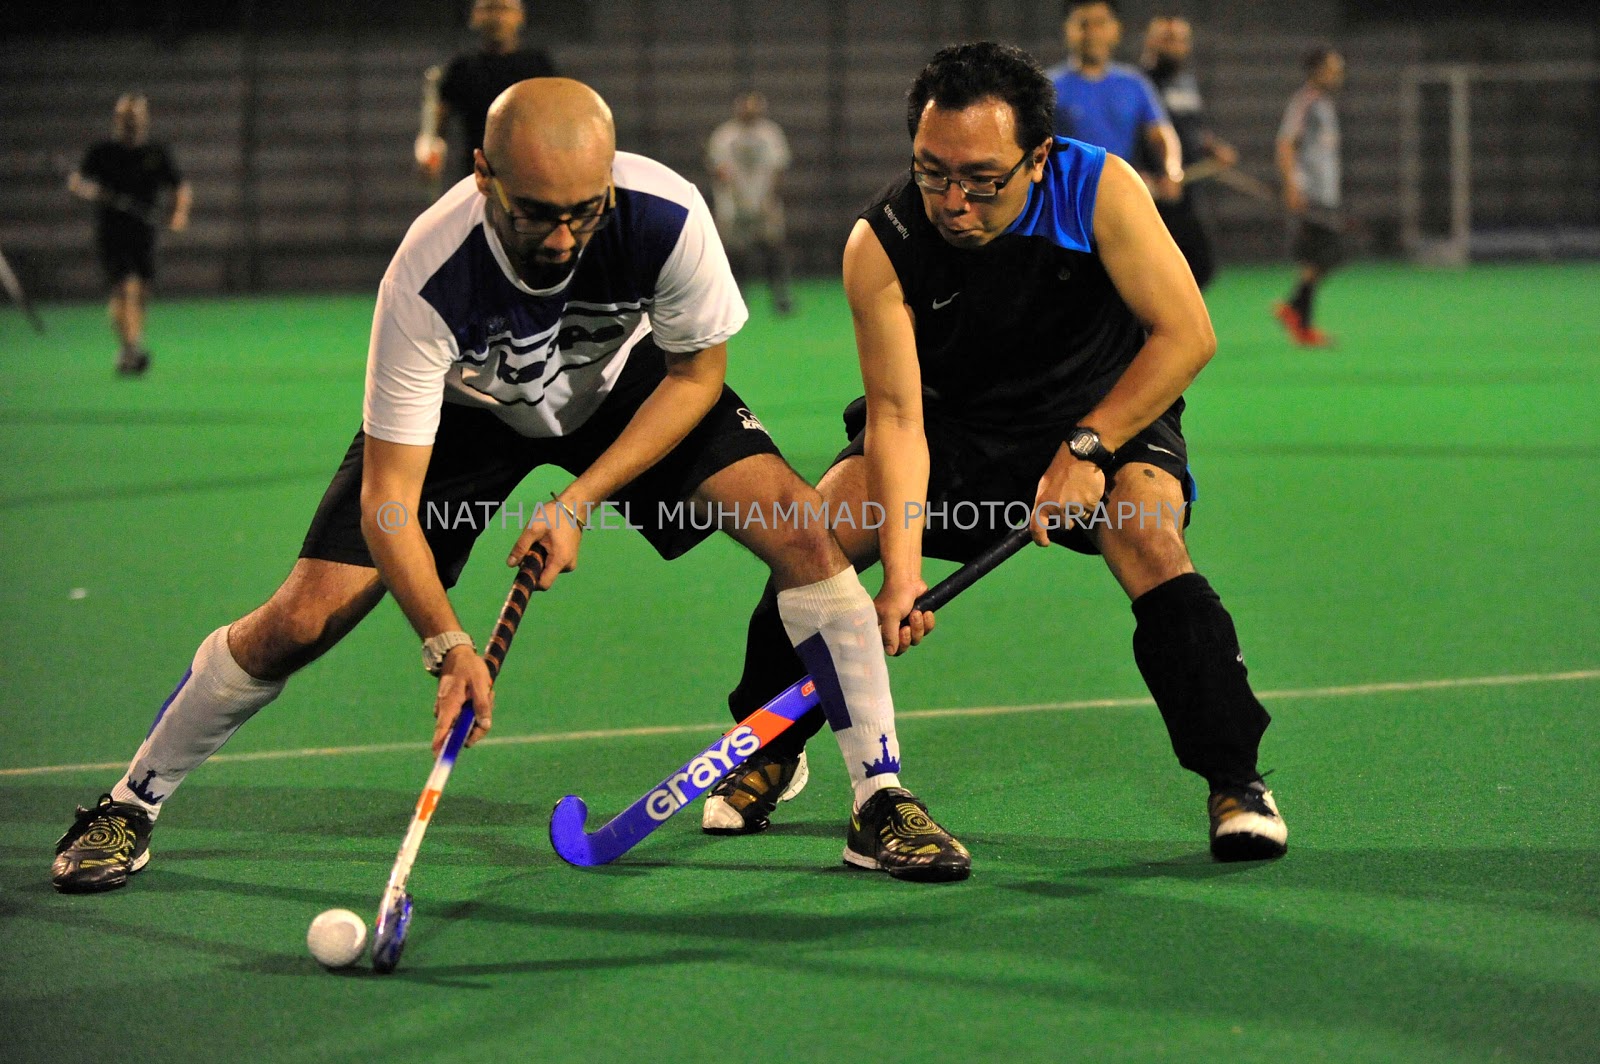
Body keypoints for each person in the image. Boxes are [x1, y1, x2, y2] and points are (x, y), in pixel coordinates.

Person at [50, 78, 970, 894]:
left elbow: (694, 376)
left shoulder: (668, 218)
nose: (564, 237)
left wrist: (577, 501)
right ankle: (132, 798)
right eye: (536, 212)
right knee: (301, 617)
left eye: (586, 210)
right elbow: (389, 502)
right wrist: (446, 645)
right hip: (471, 413)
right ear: (483, 172)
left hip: (629, 390)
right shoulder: (427, 275)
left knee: (806, 535)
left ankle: (879, 797)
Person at [703, 42, 1288, 864]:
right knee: (818, 538)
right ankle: (770, 740)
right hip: (951, 426)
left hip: (1102, 411)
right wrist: (903, 572)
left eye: (982, 179)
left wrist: (1090, 444)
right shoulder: (884, 243)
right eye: (931, 172)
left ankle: (1235, 778)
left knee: (1150, 537)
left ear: (1038, 157)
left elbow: (1187, 336)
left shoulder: (1100, 191)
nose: (952, 200)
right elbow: (898, 418)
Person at [67, 93, 191, 375]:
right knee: (123, 287)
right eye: (126, 118)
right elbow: (76, 182)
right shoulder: (102, 152)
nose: (131, 123)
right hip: (112, 232)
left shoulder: (156, 153)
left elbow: (180, 187)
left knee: (142, 292)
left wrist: (178, 214)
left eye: (136, 118)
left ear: (144, 120)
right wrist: (90, 191)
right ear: (118, 120)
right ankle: (129, 348)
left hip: (145, 231)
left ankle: (133, 342)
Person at [1045, 0, 1183, 208]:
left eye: (1100, 23)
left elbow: (1162, 135)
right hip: (1067, 205)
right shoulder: (1048, 87)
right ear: (1068, 30)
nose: (1092, 33)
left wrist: (1171, 171)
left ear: (1115, 29)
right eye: (1083, 24)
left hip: (1120, 201)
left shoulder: (1134, 84)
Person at [1140, 15, 1237, 290]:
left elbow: (1193, 128)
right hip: (1156, 193)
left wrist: (1213, 148)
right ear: (1151, 42)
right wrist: (1153, 173)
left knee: (1199, 265)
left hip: (1187, 189)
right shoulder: (1140, 84)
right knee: (1164, 269)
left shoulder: (1186, 82)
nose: (1176, 46)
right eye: (1168, 39)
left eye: (1181, 40)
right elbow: (1141, 134)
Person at [415, 0, 557, 186]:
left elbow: (556, 117)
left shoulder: (539, 65)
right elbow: (437, 126)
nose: (497, 16)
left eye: (504, 9)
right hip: (477, 178)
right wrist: (428, 151)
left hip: (530, 175)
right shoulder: (462, 68)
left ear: (519, 16)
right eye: (489, 8)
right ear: (475, 16)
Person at [1274, 47, 1345, 348]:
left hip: (1326, 193)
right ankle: (1297, 315)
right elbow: (1286, 143)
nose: (1339, 75)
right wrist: (1292, 185)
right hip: (1311, 193)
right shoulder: (1305, 102)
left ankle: (1296, 312)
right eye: (1333, 68)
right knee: (1326, 253)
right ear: (1317, 70)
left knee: (1322, 256)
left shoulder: (1325, 104)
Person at [706, 92, 796, 315]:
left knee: (773, 250)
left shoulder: (770, 133)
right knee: (736, 255)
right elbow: (719, 170)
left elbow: (778, 169)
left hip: (765, 203)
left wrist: (769, 198)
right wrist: (735, 198)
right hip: (733, 207)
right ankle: (737, 298)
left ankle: (780, 297)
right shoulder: (725, 136)